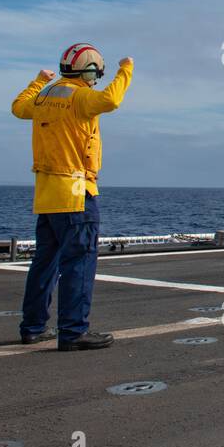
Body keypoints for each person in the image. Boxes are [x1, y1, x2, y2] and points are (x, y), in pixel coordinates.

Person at [11, 44, 133, 350]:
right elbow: (112, 99)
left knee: (45, 263)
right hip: (77, 192)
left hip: (47, 196)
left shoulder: (45, 96)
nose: (97, 80)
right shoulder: (80, 97)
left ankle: (33, 327)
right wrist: (126, 69)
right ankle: (73, 331)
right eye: (96, 73)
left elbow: (17, 107)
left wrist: (39, 80)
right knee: (79, 261)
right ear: (89, 70)